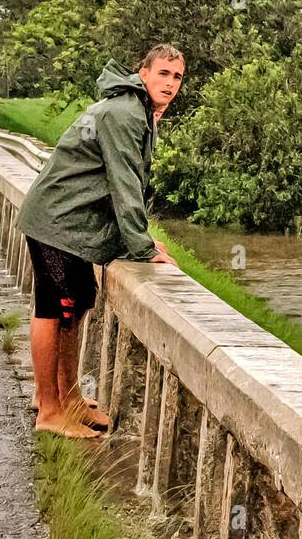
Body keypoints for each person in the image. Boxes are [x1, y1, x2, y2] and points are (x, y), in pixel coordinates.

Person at [17, 44, 184, 438]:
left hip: (75, 226)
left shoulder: (138, 110)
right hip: (56, 221)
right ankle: (48, 409)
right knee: (53, 309)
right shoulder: (126, 113)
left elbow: (125, 184)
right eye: (163, 73)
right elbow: (124, 183)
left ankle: (70, 397)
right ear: (143, 73)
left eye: (177, 77)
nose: (170, 83)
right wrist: (142, 248)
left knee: (76, 306)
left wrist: (140, 239)